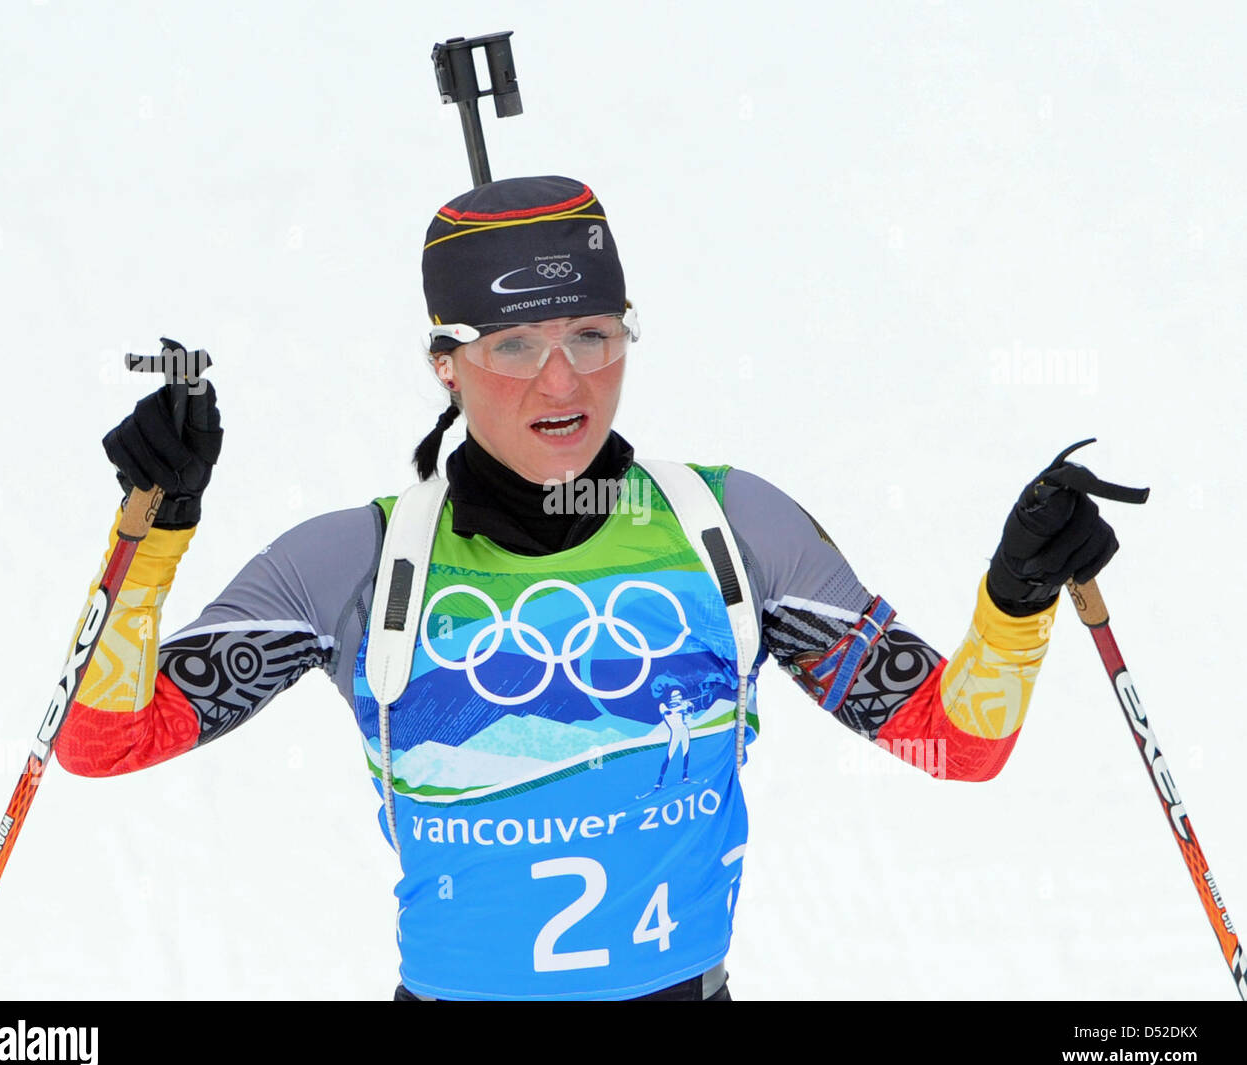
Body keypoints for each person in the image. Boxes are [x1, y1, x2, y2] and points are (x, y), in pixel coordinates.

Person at [57, 175, 1124, 1001]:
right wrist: (156, 528)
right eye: (513, 343)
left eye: (591, 337)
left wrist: (1015, 596)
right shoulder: (355, 560)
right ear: (444, 361)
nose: (560, 380)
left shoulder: (732, 528)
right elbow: (105, 739)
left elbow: (952, 738)